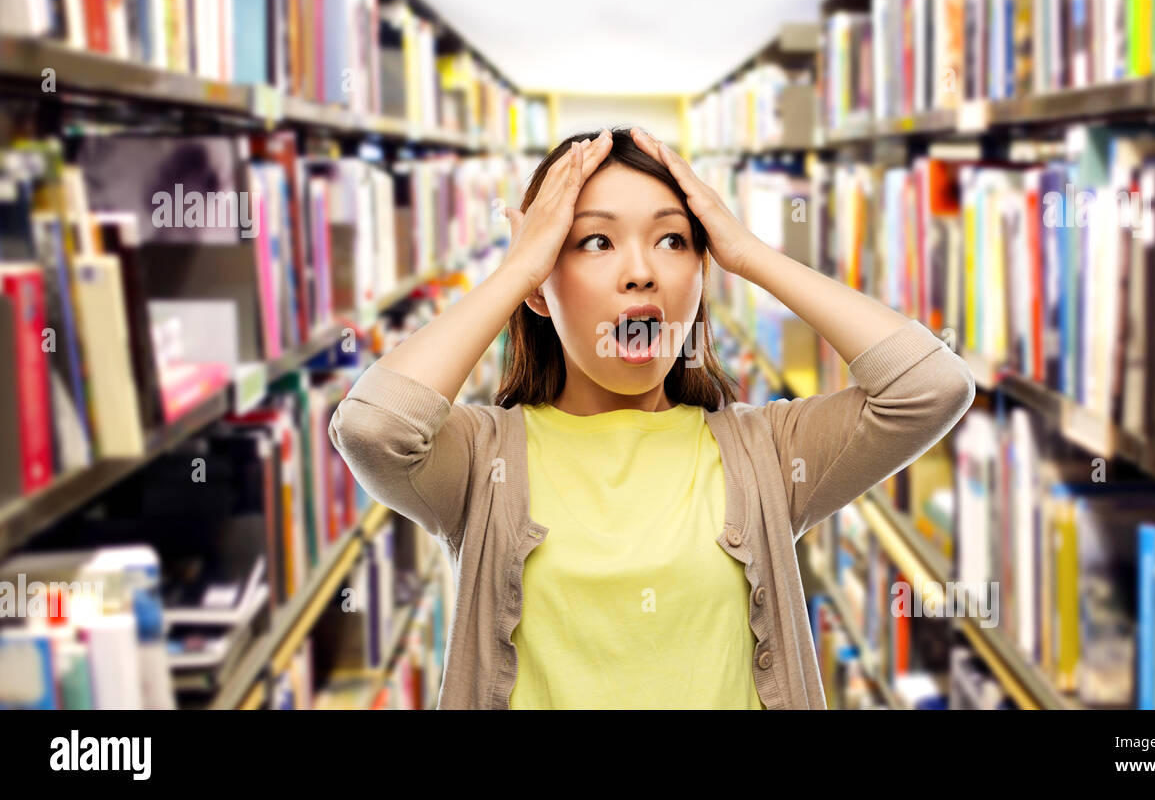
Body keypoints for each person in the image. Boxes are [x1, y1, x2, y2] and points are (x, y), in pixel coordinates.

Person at [328, 125, 976, 709]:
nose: (641, 272)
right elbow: (371, 428)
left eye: (672, 239)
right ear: (540, 287)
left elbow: (930, 385)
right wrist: (519, 268)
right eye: (595, 241)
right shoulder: (481, 458)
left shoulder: (767, 452)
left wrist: (750, 253)